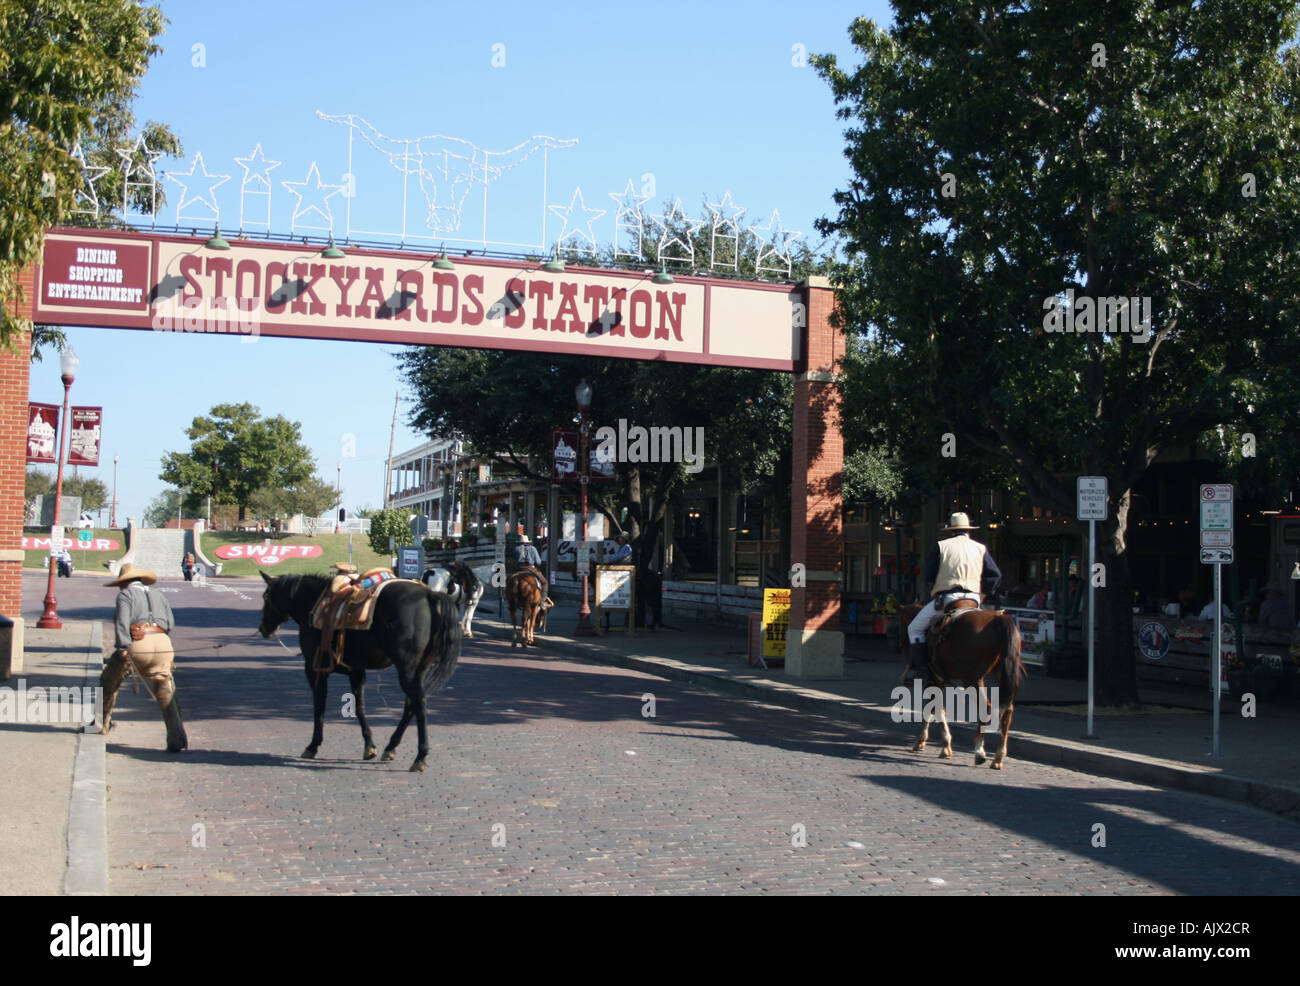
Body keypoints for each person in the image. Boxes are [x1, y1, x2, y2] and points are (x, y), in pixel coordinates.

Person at [99, 564, 187, 752]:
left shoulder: (125, 595)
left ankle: (100, 725)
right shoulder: (159, 595)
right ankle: (176, 737)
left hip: (138, 641)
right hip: (163, 642)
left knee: (108, 681)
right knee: (165, 688)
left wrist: (123, 648)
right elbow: (170, 623)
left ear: (125, 583)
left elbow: (122, 622)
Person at [905, 512, 1002, 681]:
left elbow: (929, 575)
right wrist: (983, 594)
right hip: (973, 600)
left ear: (950, 530)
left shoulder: (941, 546)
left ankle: (921, 671)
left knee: (914, 628)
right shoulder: (980, 548)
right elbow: (995, 576)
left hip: (948, 599)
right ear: (968, 530)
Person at [513, 534, 548, 602]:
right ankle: (543, 601)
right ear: (528, 542)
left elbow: (514, 559)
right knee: (544, 582)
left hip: (519, 568)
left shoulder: (516, 548)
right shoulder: (532, 548)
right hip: (530, 568)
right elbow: (538, 562)